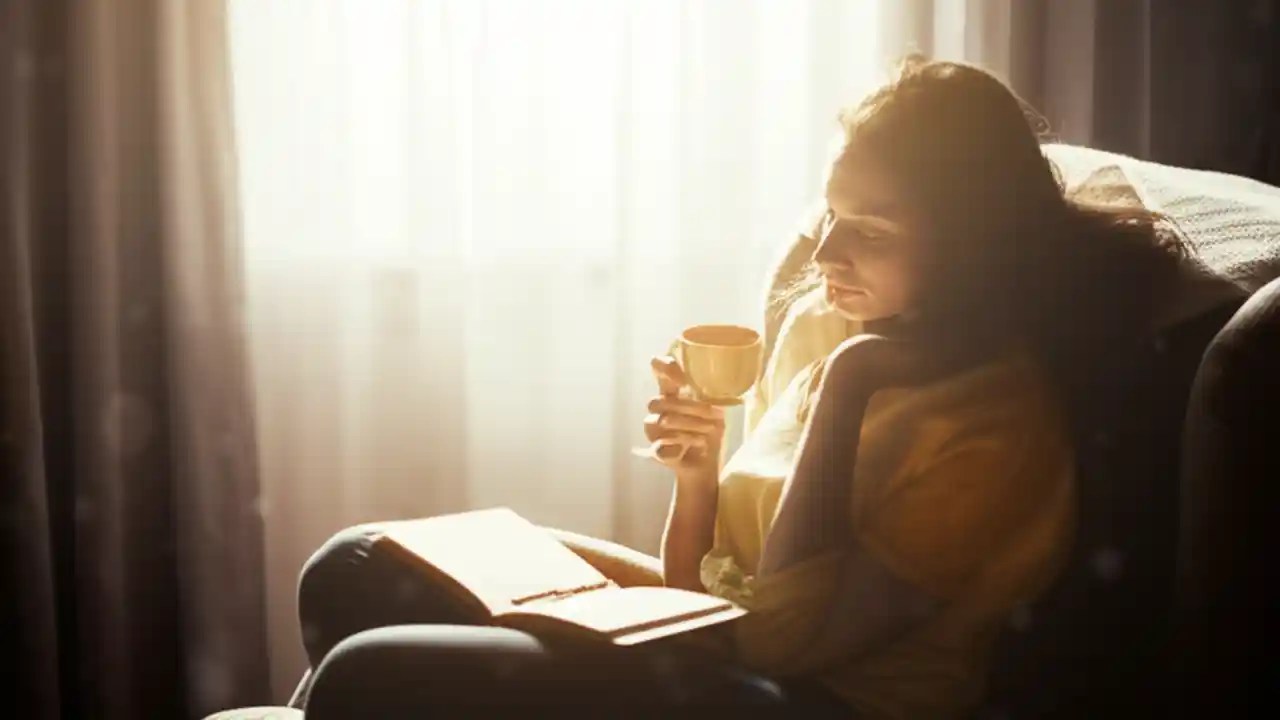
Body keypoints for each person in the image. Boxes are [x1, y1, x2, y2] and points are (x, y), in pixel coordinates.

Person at [295, 56, 1187, 719]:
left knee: (372, 673)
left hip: (814, 700)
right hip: (714, 641)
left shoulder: (996, 437)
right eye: (833, 215)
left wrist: (847, 391)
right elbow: (702, 589)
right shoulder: (827, 322)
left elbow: (781, 642)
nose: (828, 255)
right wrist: (698, 478)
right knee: (354, 565)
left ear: (975, 247)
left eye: (871, 232)